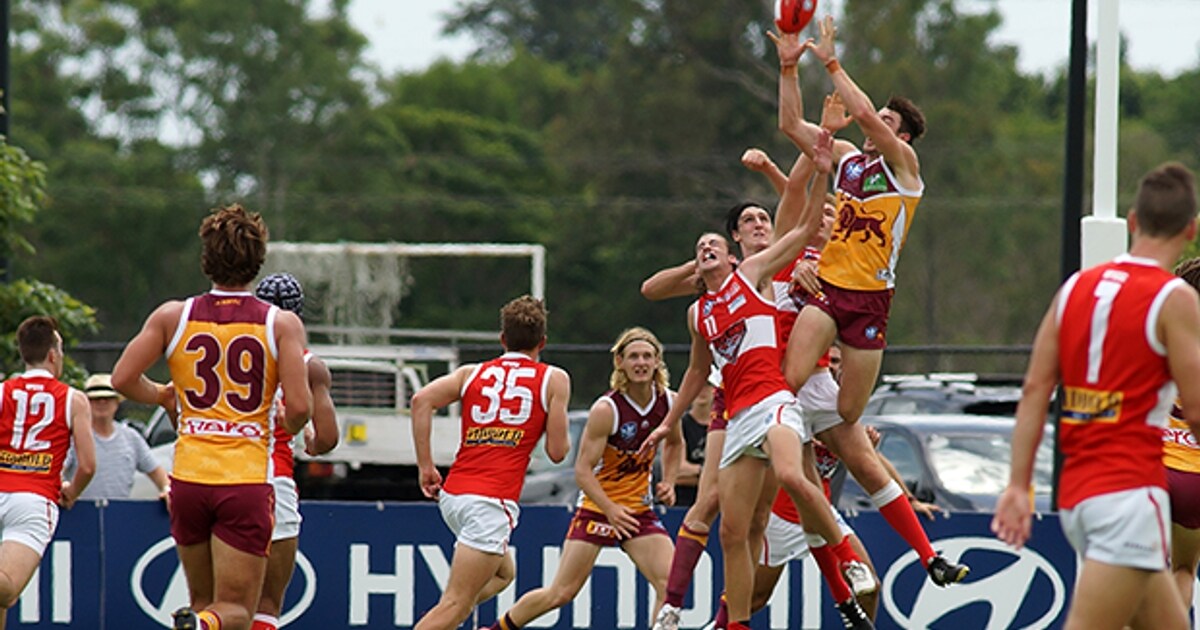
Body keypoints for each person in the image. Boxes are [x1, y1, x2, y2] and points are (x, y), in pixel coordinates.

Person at [645, 124, 870, 630]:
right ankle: (729, 622)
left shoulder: (754, 275)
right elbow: (696, 372)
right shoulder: (699, 312)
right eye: (701, 243)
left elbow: (802, 221)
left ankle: (845, 557)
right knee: (732, 531)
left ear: (730, 255)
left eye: (712, 243)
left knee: (794, 476)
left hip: (775, 401)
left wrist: (819, 160)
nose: (706, 246)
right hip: (738, 415)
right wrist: (669, 421)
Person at [768, 22, 968, 588]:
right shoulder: (851, 159)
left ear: (902, 136)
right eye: (877, 113)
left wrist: (833, 65)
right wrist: (790, 67)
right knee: (789, 379)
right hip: (830, 292)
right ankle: (787, 455)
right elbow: (790, 125)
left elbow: (867, 120)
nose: (873, 119)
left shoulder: (905, 171)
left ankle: (820, 468)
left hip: (872, 305)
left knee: (851, 415)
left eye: (888, 120)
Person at [993, 162, 1200, 630]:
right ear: (1190, 230)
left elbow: (1035, 389)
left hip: (1080, 496)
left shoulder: (1075, 289)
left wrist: (1017, 486)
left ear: (1132, 220)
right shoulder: (1174, 297)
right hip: (1128, 493)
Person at [112, 203, 313, 630]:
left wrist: (164, 394)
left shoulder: (173, 315)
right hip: (244, 479)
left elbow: (123, 378)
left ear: (206, 260)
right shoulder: (281, 324)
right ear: (258, 261)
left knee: (204, 602)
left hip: (186, 477)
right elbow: (299, 408)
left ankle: (200, 623)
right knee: (237, 613)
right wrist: (287, 425)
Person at [487, 327, 681, 630]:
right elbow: (582, 470)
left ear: (658, 361)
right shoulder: (607, 409)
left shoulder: (670, 402)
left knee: (671, 586)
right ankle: (497, 629)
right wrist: (610, 509)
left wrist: (669, 480)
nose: (641, 363)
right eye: (633, 357)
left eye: (647, 356)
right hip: (598, 508)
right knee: (561, 593)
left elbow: (675, 442)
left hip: (637, 511)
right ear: (620, 362)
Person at [411, 295, 571, 630]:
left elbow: (421, 400)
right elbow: (558, 452)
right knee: (455, 605)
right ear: (542, 342)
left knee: (503, 573)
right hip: (489, 501)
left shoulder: (472, 372)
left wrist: (426, 466)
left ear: (502, 339)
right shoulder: (553, 378)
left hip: (454, 496)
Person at [250, 273, 340, 630]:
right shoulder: (309, 364)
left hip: (218, 474)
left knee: (220, 599)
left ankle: (205, 623)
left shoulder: (231, 352)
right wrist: (313, 444)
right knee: (267, 603)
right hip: (273, 480)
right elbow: (328, 438)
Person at [0, 316, 94, 630]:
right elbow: (88, 465)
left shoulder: (2, 392)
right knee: (7, 588)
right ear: (53, 354)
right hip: (34, 500)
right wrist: (73, 491)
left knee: (3, 599)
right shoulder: (73, 399)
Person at [62, 373, 169, 502]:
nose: (102, 402)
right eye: (96, 399)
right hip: (80, 512)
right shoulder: (74, 438)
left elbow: (158, 473)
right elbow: (59, 472)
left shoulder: (131, 438)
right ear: (87, 403)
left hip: (119, 513)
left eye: (108, 398)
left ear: (117, 402)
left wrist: (166, 489)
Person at [1161, 257, 1200, 609]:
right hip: (1195, 480)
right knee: (1184, 569)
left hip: (1152, 471)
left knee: (1133, 574)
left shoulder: (1162, 341)